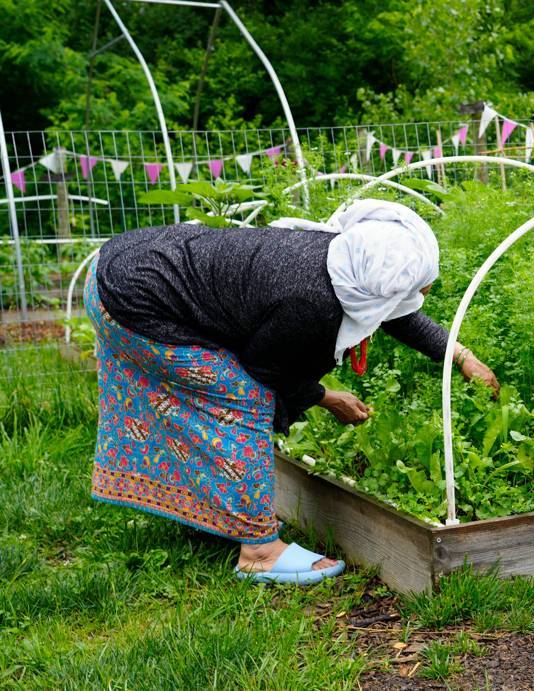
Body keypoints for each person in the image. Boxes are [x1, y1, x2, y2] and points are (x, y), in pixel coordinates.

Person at [84, 199, 498, 585]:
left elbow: (397, 311)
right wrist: (325, 397)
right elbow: (265, 370)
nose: (424, 291)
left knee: (225, 394)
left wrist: (461, 357)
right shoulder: (310, 303)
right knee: (242, 399)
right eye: (418, 283)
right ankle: (260, 552)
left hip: (126, 259)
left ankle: (207, 506)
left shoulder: (344, 260)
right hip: (131, 298)